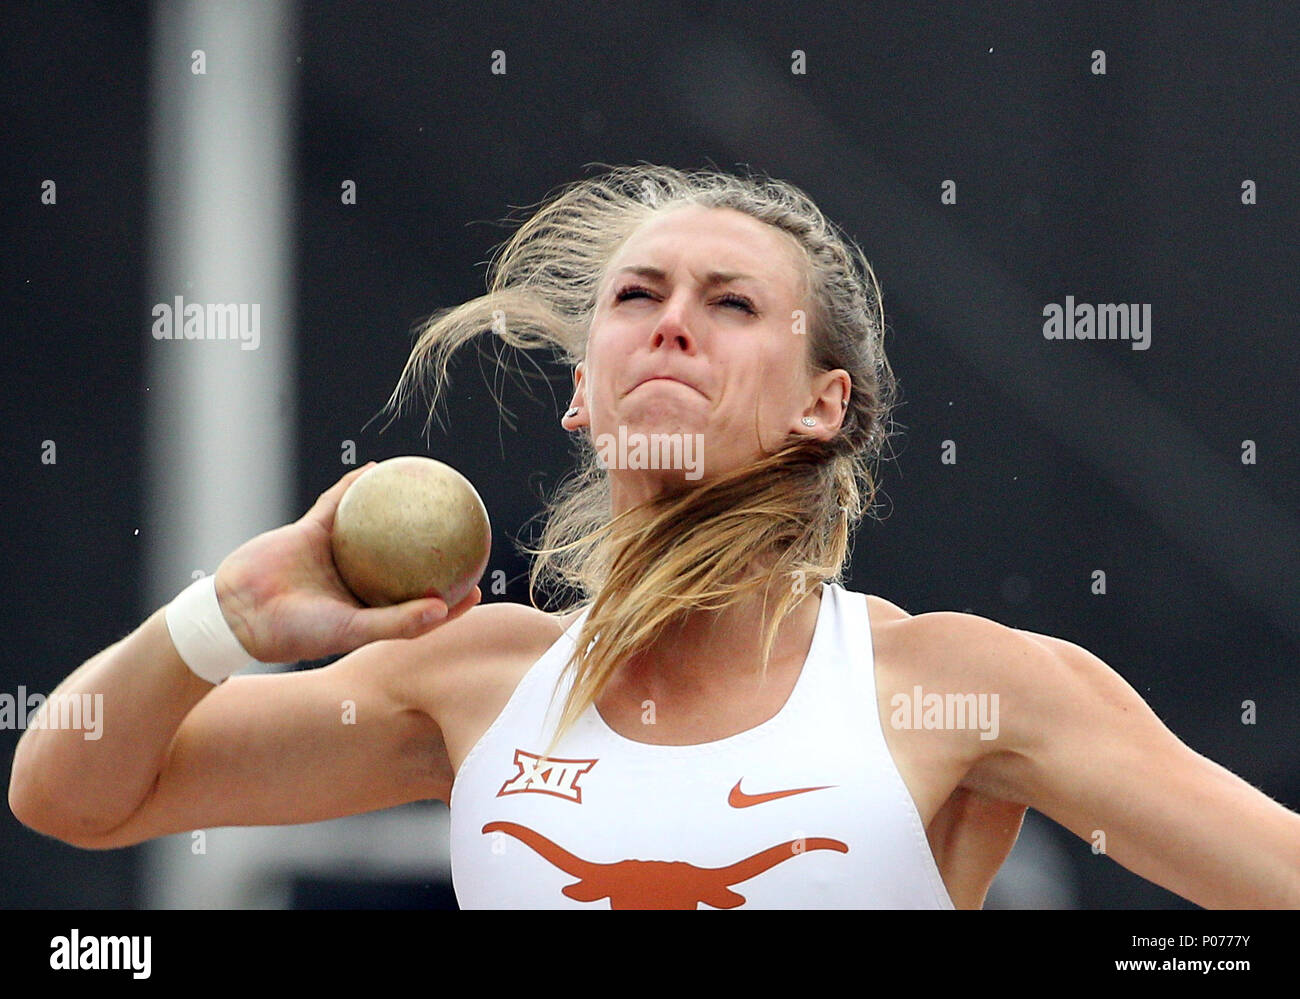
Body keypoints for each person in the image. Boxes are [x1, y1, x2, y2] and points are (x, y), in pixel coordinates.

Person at [9, 165, 1299, 909]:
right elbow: (69, 792)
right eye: (637, 296)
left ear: (820, 405)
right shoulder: (472, 681)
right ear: (585, 386)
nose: (672, 322)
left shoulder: (962, 691)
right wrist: (220, 620)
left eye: (731, 303)